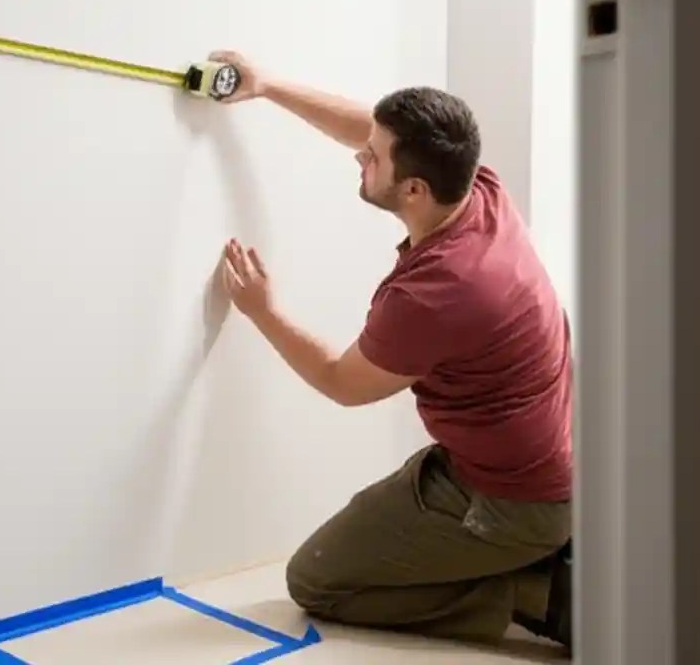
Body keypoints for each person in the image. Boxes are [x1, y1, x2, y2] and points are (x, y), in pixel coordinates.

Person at [208, 50, 574, 653]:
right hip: (528, 463)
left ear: (413, 188)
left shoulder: (439, 292)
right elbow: (367, 128)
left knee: (317, 582)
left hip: (511, 500)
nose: (360, 153)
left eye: (372, 157)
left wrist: (262, 310)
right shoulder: (477, 187)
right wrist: (267, 86)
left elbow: (341, 382)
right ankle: (531, 548)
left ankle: (538, 592)